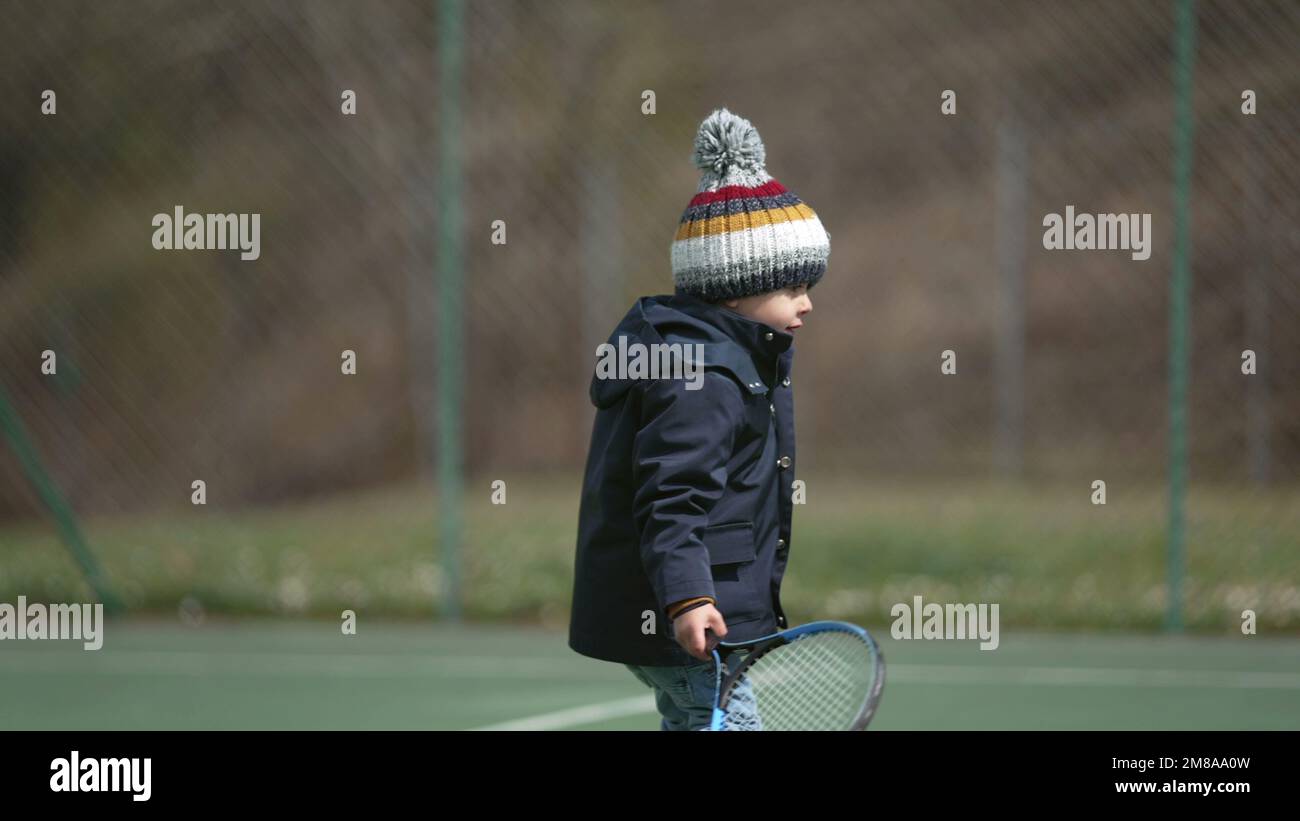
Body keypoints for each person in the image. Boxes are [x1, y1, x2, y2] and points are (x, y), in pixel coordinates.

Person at [568, 107, 831, 730]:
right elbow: (672, 497)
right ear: (736, 289)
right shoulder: (706, 377)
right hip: (677, 611)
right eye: (792, 287)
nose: (808, 303)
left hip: (689, 606)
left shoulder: (723, 358)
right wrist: (689, 599)